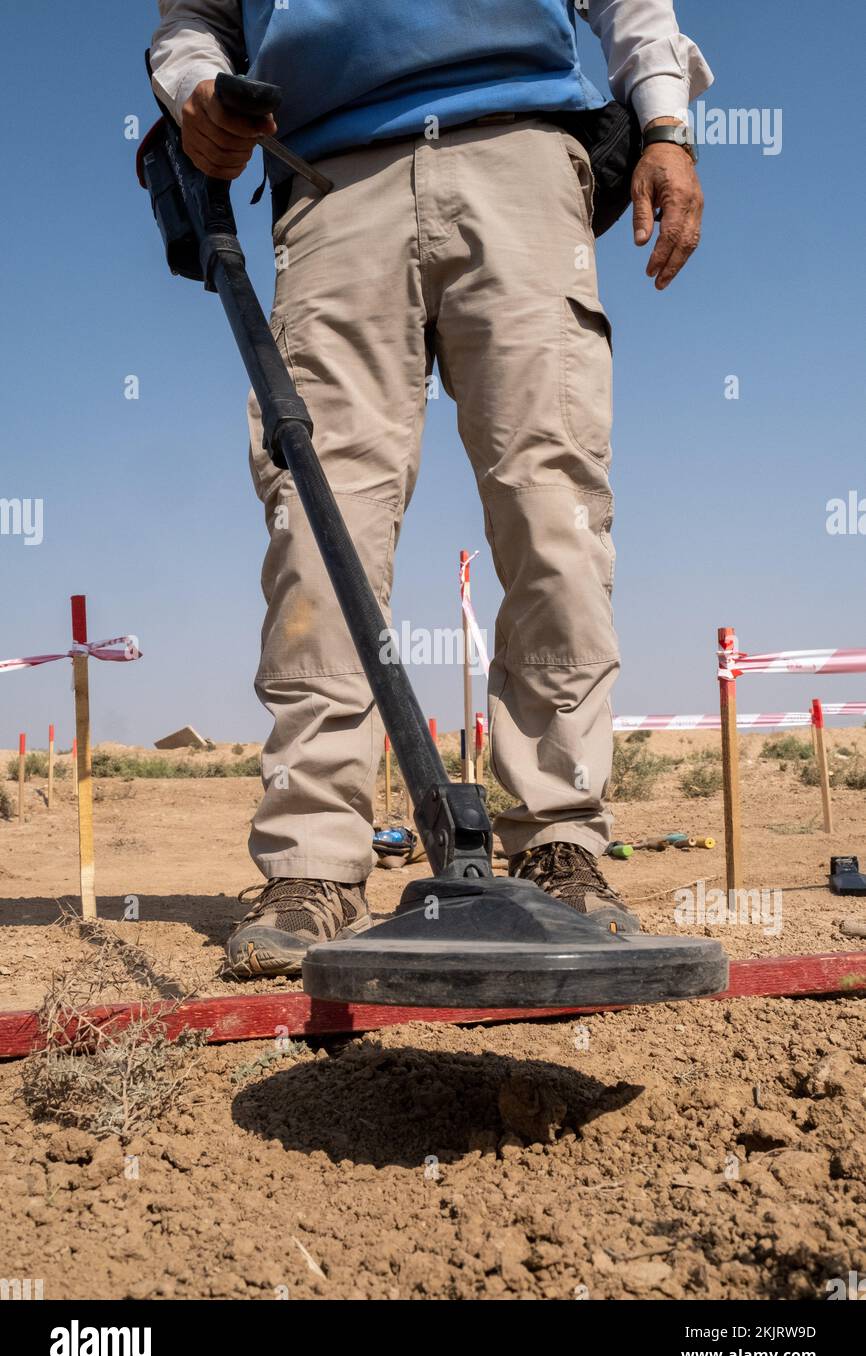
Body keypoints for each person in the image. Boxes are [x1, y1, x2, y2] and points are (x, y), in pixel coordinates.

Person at [150, 1, 712, 978]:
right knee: (318, 527)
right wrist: (193, 90)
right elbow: (192, 21)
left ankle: (559, 844)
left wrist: (663, 122)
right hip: (326, 176)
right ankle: (313, 866)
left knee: (553, 501)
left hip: (521, 150)